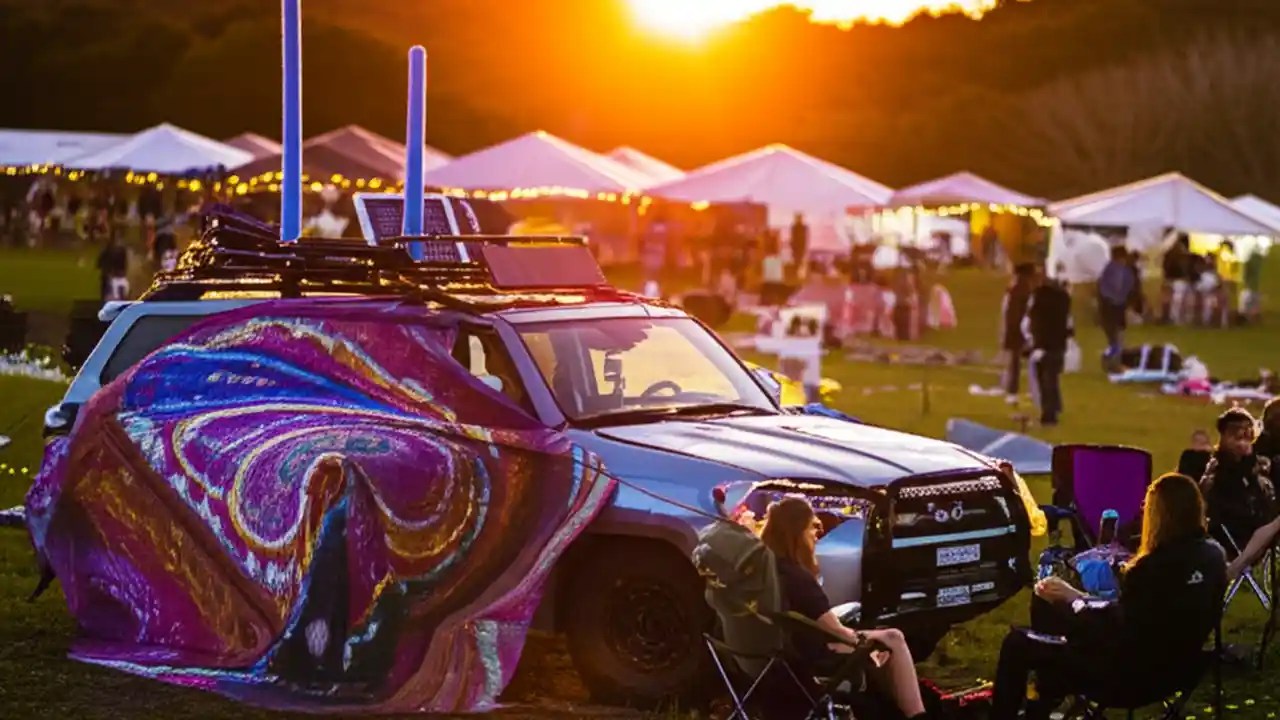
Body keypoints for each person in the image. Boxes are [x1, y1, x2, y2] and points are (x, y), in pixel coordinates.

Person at [991, 473, 1227, 720]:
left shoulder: (1151, 568)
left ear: (1159, 517)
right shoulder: (1214, 556)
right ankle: (1043, 699)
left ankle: (1036, 699)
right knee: (1048, 600)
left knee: (1018, 642)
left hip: (1125, 679)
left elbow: (1115, 626)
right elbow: (1137, 618)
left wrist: (1076, 597)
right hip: (1179, 670)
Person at [761, 497, 927, 720]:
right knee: (892, 638)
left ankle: (892, 708)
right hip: (813, 655)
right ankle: (917, 715)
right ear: (797, 532)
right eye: (812, 527)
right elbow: (836, 632)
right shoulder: (798, 579)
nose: (816, 535)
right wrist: (867, 648)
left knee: (866, 625)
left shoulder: (766, 569)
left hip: (785, 650)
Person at [1197, 408, 1275, 579]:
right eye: (1236, 435)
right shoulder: (1218, 471)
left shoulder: (1258, 468)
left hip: (1252, 534)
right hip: (1236, 535)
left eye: (1248, 434)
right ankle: (1236, 568)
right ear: (1224, 436)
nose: (1243, 441)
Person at [1022, 270, 1073, 426]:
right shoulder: (1064, 298)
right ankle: (1055, 408)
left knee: (1045, 379)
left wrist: (1033, 342)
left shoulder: (1039, 297)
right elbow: (1068, 323)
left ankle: (1049, 414)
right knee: (1052, 377)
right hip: (1058, 343)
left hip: (1043, 344)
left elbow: (1033, 321)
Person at [1000, 263, 1037, 405]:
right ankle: (1020, 391)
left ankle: (1015, 391)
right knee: (1021, 362)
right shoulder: (1023, 288)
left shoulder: (1016, 288)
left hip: (1016, 329)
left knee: (1016, 362)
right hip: (1021, 330)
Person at [1097, 245, 1135, 369]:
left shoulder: (1116, 270)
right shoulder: (1115, 270)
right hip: (1112, 307)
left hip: (1114, 307)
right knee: (1115, 337)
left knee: (1115, 337)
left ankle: (1113, 361)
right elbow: (1107, 289)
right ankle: (1112, 361)